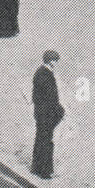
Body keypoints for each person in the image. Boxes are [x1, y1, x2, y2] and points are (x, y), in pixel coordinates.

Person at [31, 51, 65, 179]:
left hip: (40, 112)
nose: (56, 63)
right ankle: (44, 171)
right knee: (46, 140)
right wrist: (59, 110)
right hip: (46, 114)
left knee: (40, 138)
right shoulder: (45, 75)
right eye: (55, 60)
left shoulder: (40, 72)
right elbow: (51, 97)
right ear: (50, 61)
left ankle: (36, 167)